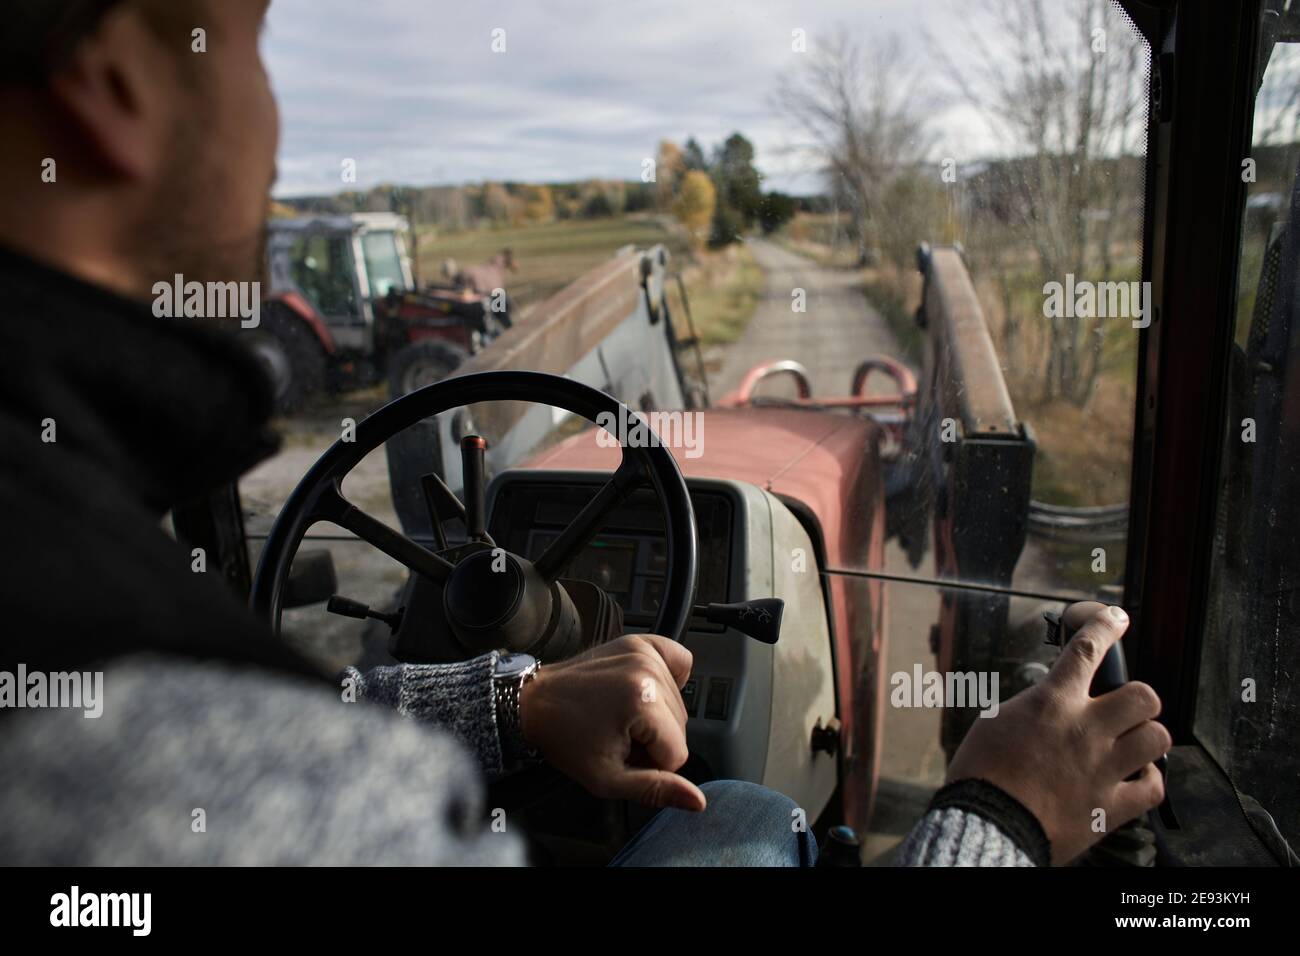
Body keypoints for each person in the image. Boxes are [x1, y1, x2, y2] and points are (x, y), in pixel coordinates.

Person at [0, 0, 1169, 866]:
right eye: (248, 41)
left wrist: (506, 699)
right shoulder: (250, 782)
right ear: (116, 86)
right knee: (757, 812)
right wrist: (998, 816)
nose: (271, 115)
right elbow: (265, 751)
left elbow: (266, 734)